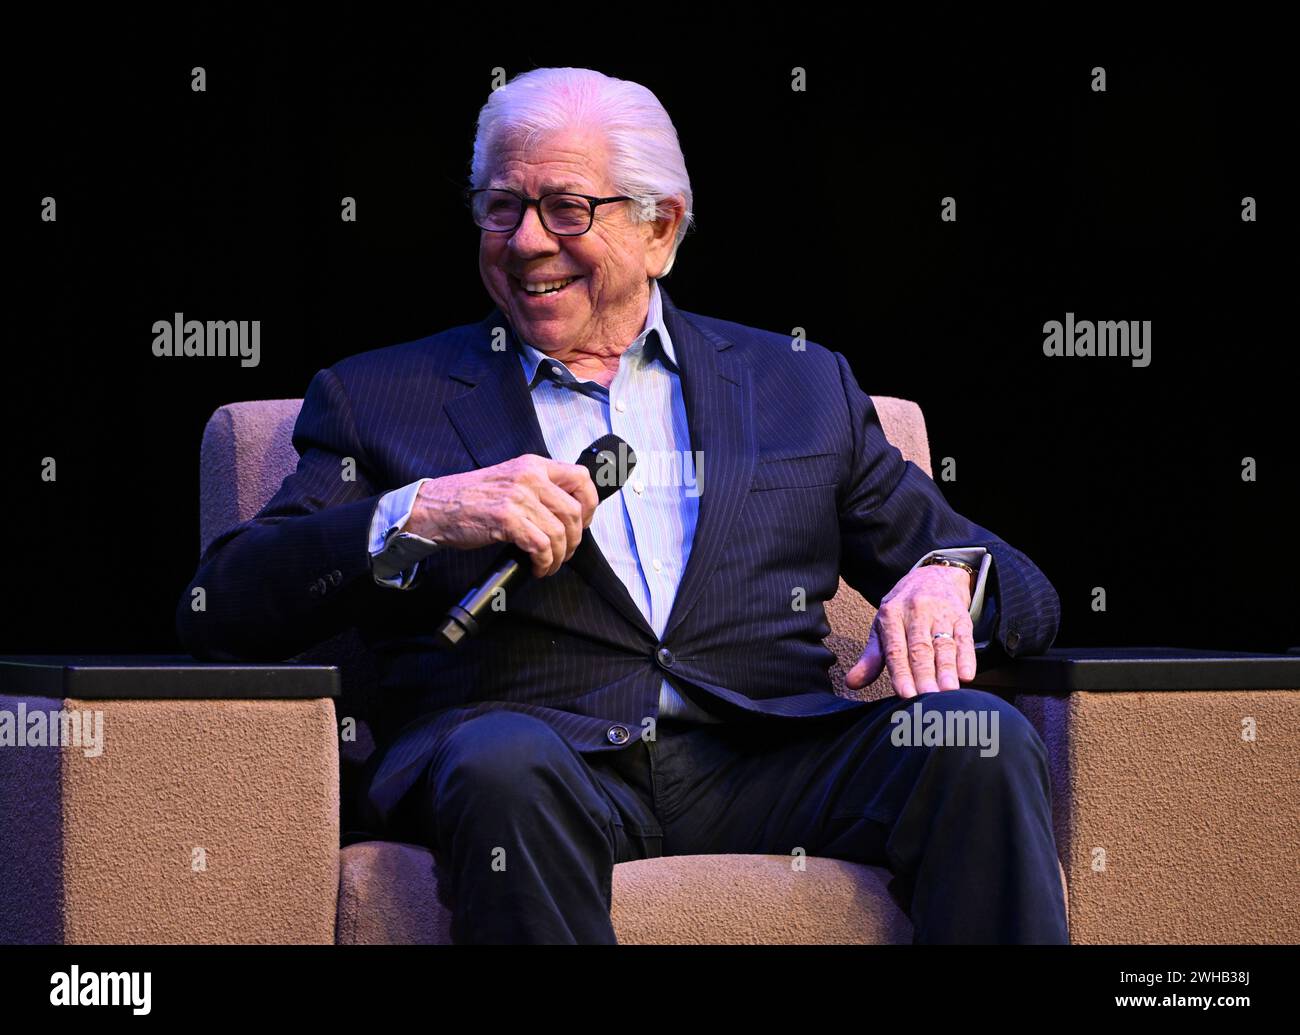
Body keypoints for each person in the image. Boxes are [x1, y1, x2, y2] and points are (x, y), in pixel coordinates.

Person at [177, 66, 1068, 945]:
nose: (526, 241)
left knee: (977, 741)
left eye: (567, 208)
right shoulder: (382, 395)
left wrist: (950, 579)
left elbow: (1020, 586)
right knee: (502, 761)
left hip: (770, 758)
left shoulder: (799, 385)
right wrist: (418, 512)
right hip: (540, 767)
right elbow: (223, 608)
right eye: (500, 207)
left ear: (660, 229)